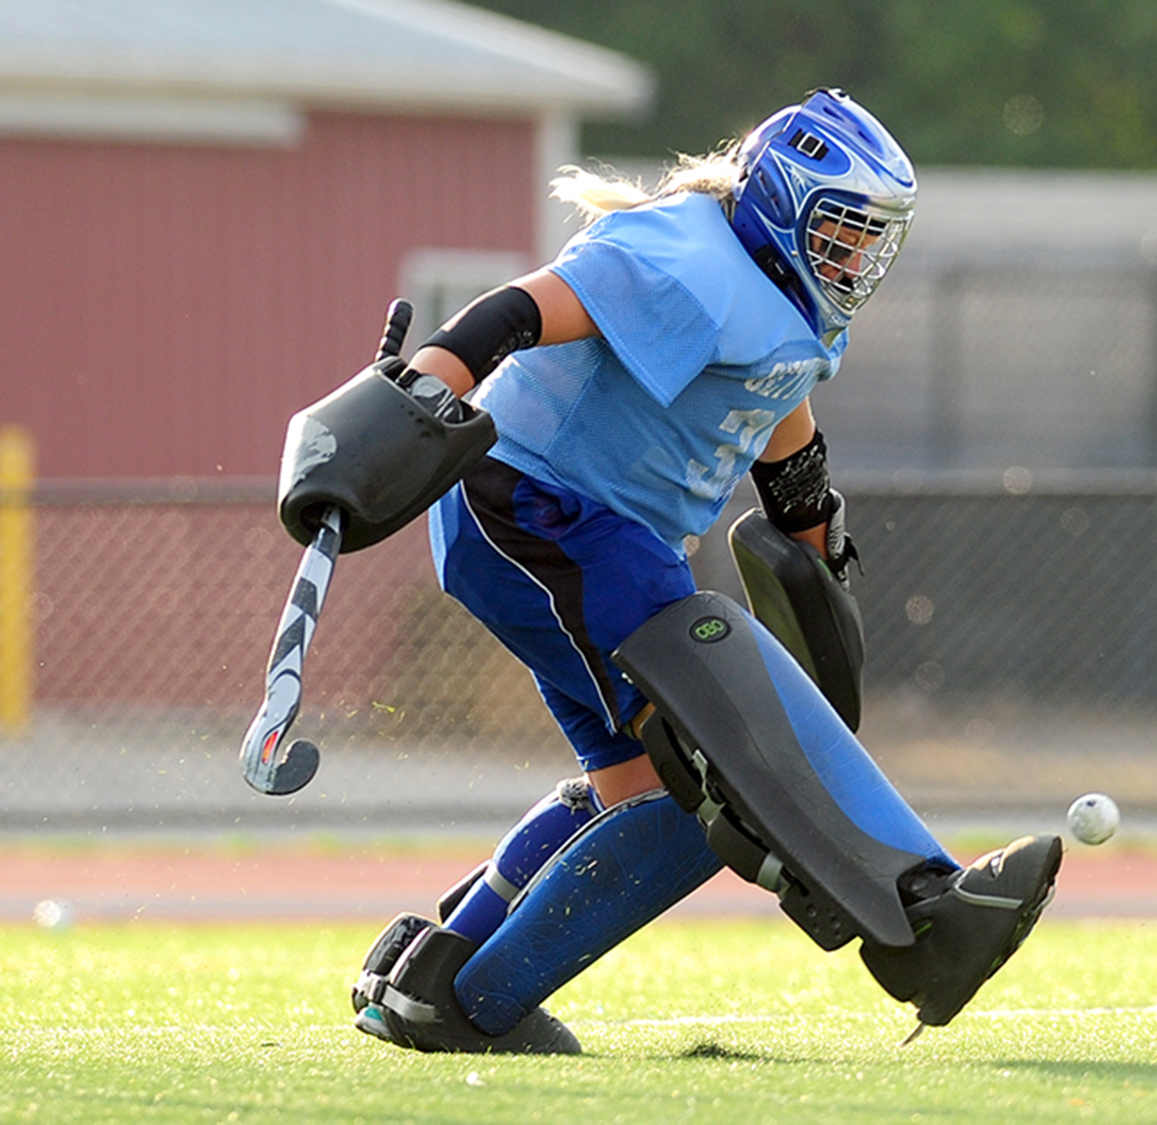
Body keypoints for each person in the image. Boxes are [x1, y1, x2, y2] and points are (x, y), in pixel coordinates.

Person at [330, 89, 1062, 1054]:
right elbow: (518, 309)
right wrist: (421, 386)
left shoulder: (787, 295)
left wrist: (814, 549)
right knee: (708, 774)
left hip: (590, 532)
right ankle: (925, 909)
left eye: (868, 240)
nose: (854, 260)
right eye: (842, 230)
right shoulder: (685, 256)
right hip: (539, 505)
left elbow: (780, 417)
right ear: (786, 203)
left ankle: (438, 977)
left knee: (640, 785)